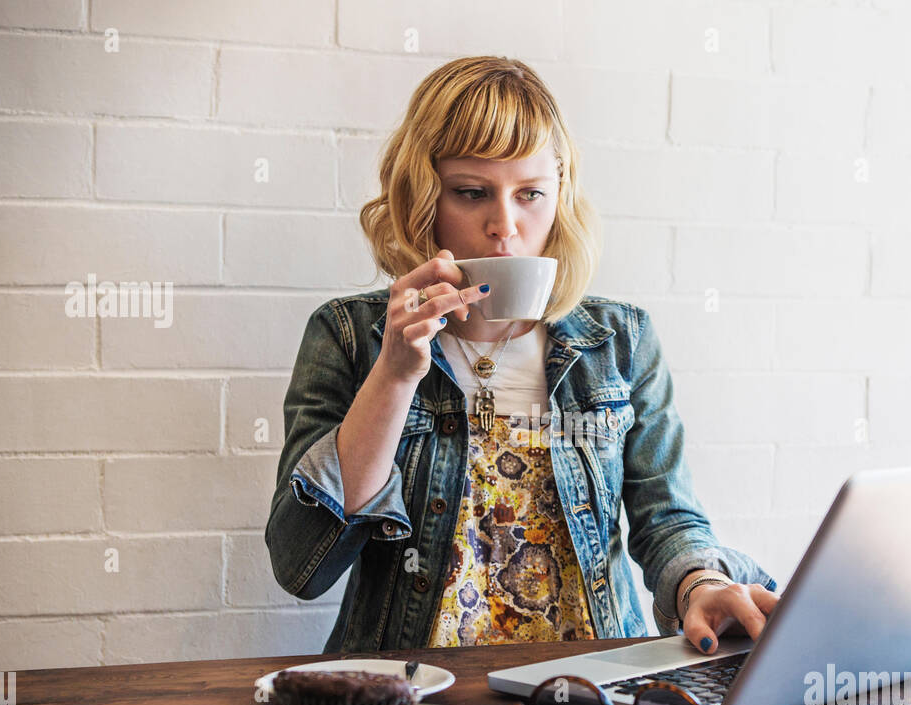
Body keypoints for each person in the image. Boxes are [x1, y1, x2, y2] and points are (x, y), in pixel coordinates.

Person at [265, 55, 780, 657]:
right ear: (423, 196)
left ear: (560, 197)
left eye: (530, 193)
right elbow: (302, 567)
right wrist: (395, 377)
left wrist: (703, 584)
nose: (504, 226)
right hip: (414, 694)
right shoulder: (349, 336)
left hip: (592, 683)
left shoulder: (619, 340)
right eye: (472, 192)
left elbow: (669, 520)